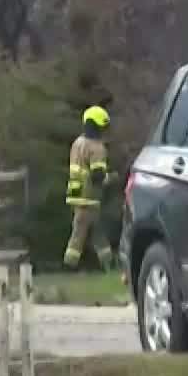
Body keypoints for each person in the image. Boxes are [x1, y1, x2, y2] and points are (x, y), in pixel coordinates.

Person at [62, 105, 116, 270]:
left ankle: (107, 262)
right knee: (80, 234)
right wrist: (112, 178)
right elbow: (97, 176)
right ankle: (69, 266)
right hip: (89, 197)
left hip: (75, 194)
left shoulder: (77, 143)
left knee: (95, 232)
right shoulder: (97, 148)